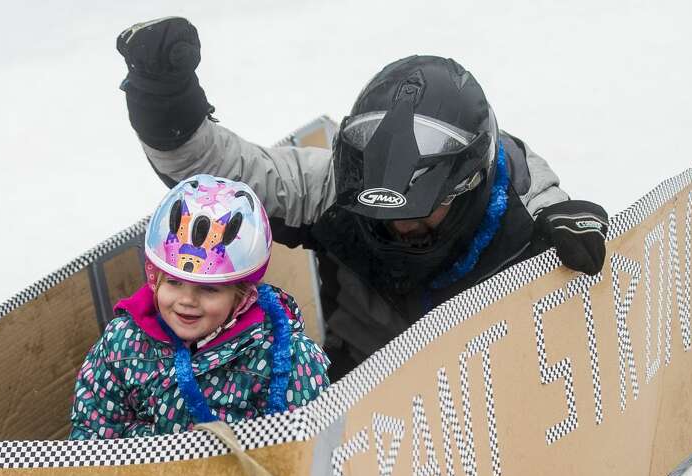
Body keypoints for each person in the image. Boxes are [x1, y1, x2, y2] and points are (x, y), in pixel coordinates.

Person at [115, 17, 611, 379]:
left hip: (491, 396)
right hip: (361, 391)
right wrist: (163, 99)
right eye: (385, 215)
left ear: (467, 187)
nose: (403, 226)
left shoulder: (523, 213)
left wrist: (564, 219)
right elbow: (226, 172)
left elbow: (548, 203)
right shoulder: (335, 186)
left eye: (422, 212)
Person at [70, 174, 329, 440]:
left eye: (208, 289)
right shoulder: (123, 344)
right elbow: (93, 432)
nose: (187, 300)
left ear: (242, 297)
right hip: (144, 468)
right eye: (173, 282)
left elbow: (306, 449)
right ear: (154, 278)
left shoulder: (284, 356)